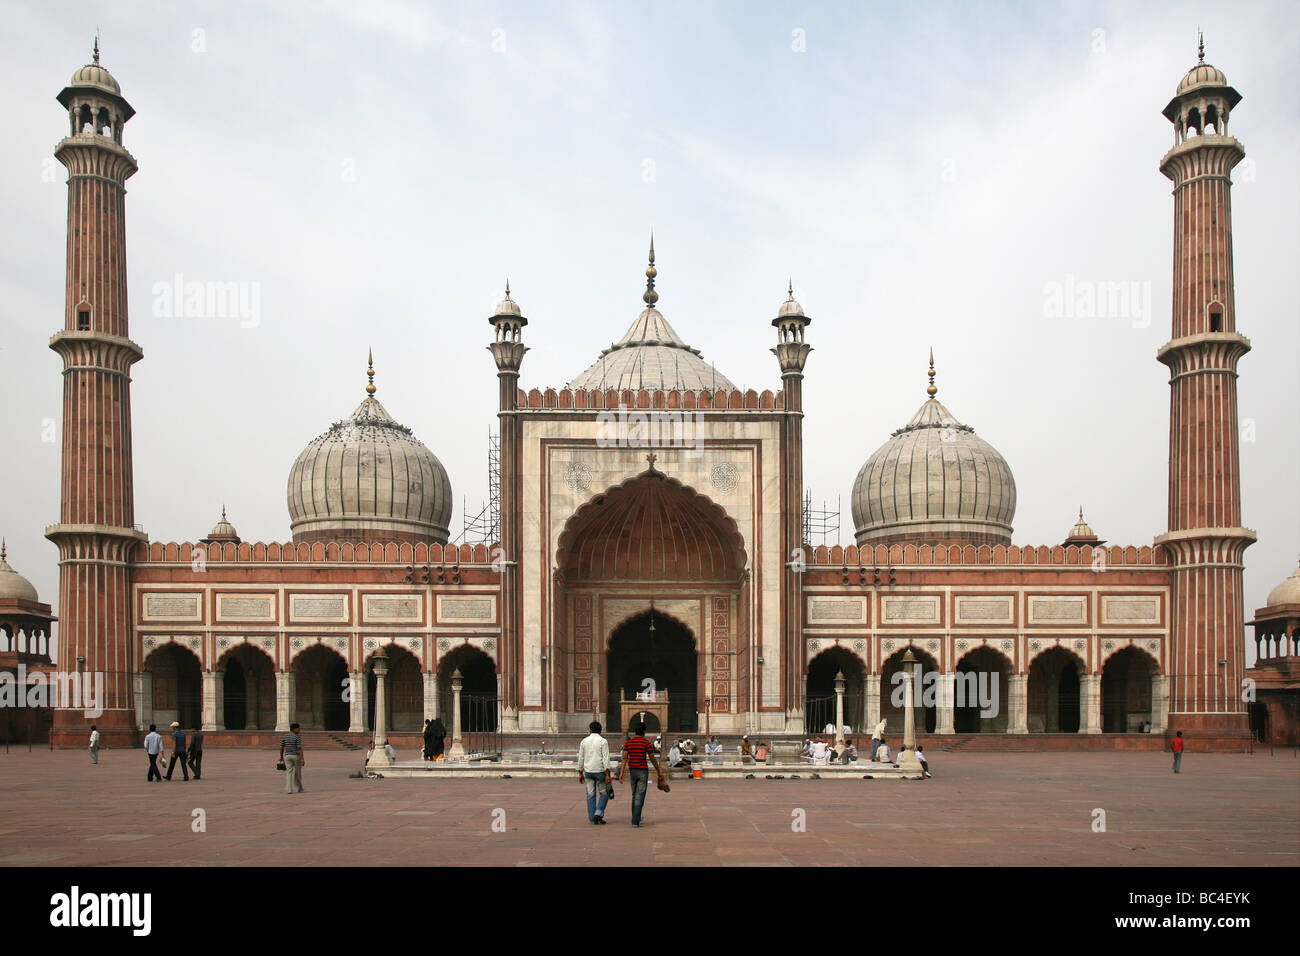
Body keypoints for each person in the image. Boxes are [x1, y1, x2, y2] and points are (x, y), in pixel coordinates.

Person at [617, 723, 664, 828]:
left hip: (632, 771)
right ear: (644, 732)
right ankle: (635, 821)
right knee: (640, 795)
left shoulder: (628, 743)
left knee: (634, 794)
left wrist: (621, 773)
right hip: (643, 771)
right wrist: (658, 771)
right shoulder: (646, 743)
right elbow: (652, 758)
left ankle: (635, 817)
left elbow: (624, 759)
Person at [577, 720, 612, 824]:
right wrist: (608, 774)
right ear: (600, 730)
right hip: (600, 771)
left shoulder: (584, 741)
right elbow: (606, 758)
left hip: (588, 771)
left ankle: (592, 818)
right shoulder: (603, 741)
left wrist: (580, 772)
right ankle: (598, 812)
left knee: (590, 795)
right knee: (604, 793)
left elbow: (581, 757)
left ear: (590, 730)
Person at [280, 722, 305, 793]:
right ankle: (299, 788)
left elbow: (281, 747)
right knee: (297, 773)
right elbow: (299, 748)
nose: (299, 730)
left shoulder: (285, 736)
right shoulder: (297, 737)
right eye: (298, 729)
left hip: (287, 756)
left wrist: (281, 756)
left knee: (289, 773)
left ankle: (289, 789)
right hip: (296, 756)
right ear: (295, 729)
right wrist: (303, 759)